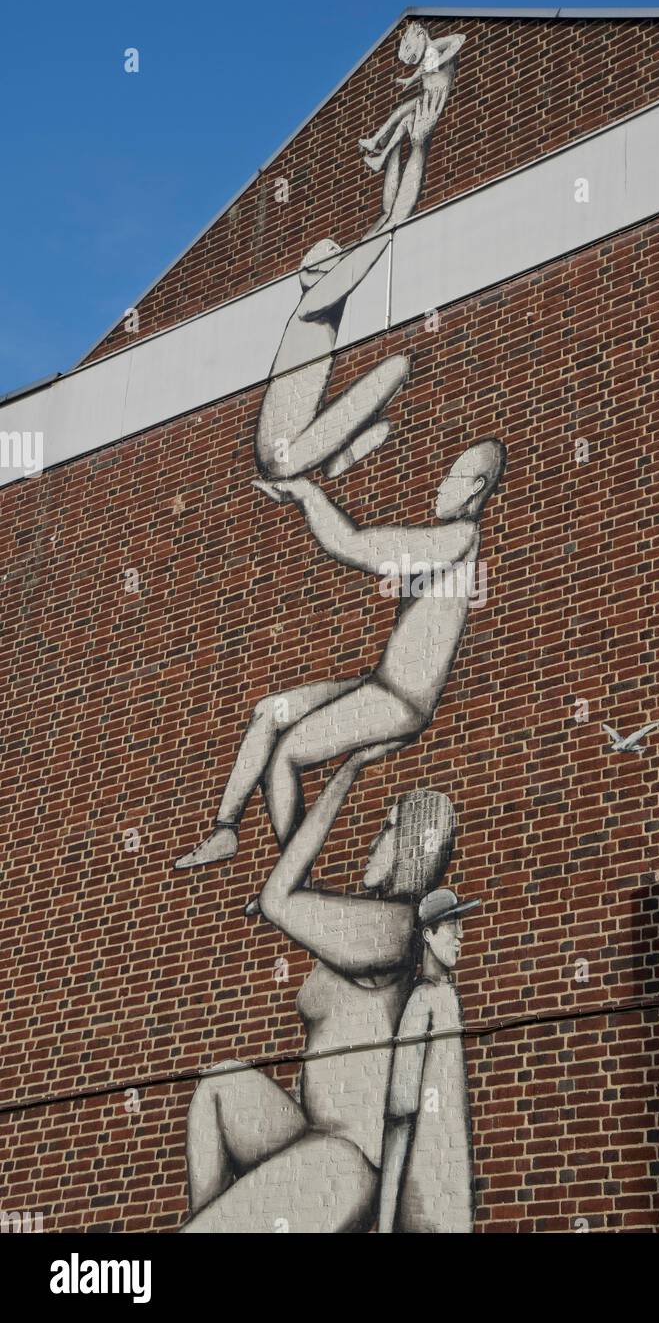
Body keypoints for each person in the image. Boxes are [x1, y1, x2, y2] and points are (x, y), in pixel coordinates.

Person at [174, 439, 505, 872]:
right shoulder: (446, 542)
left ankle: (293, 880)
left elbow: (358, 545)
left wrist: (309, 494)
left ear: (476, 486)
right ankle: (225, 830)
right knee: (269, 713)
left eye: (452, 478)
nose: (439, 487)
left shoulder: (460, 538)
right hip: (380, 685)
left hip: (401, 700)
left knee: (287, 755)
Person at [180, 751, 457, 1234]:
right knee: (220, 1086)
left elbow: (278, 897)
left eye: (388, 829)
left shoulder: (394, 927)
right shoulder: (362, 923)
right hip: (312, 1131)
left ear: (414, 844)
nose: (373, 842)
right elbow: (290, 887)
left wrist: (345, 773)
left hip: (346, 1158)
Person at [254, 83, 448, 485]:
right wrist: (422, 142)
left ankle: (334, 457)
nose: (338, 254)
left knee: (394, 374)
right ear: (313, 273)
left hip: (294, 444)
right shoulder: (313, 304)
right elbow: (393, 219)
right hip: (282, 455)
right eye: (330, 255)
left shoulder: (320, 299)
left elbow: (386, 214)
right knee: (396, 370)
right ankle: (334, 458)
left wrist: (396, 147)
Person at [378, 887, 478, 1233]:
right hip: (425, 1205)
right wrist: (387, 1221)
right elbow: (399, 1118)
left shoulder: (447, 997)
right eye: (451, 924)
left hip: (451, 1199)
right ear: (428, 934)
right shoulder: (422, 1002)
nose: (461, 935)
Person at [359, 24, 465, 174]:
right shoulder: (428, 56)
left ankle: (376, 143)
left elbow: (460, 38)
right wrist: (409, 80)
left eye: (410, 48)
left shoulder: (435, 46)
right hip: (427, 98)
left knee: (401, 111)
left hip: (434, 100)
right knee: (404, 120)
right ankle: (380, 155)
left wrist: (439, 62)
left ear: (421, 34)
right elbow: (421, 69)